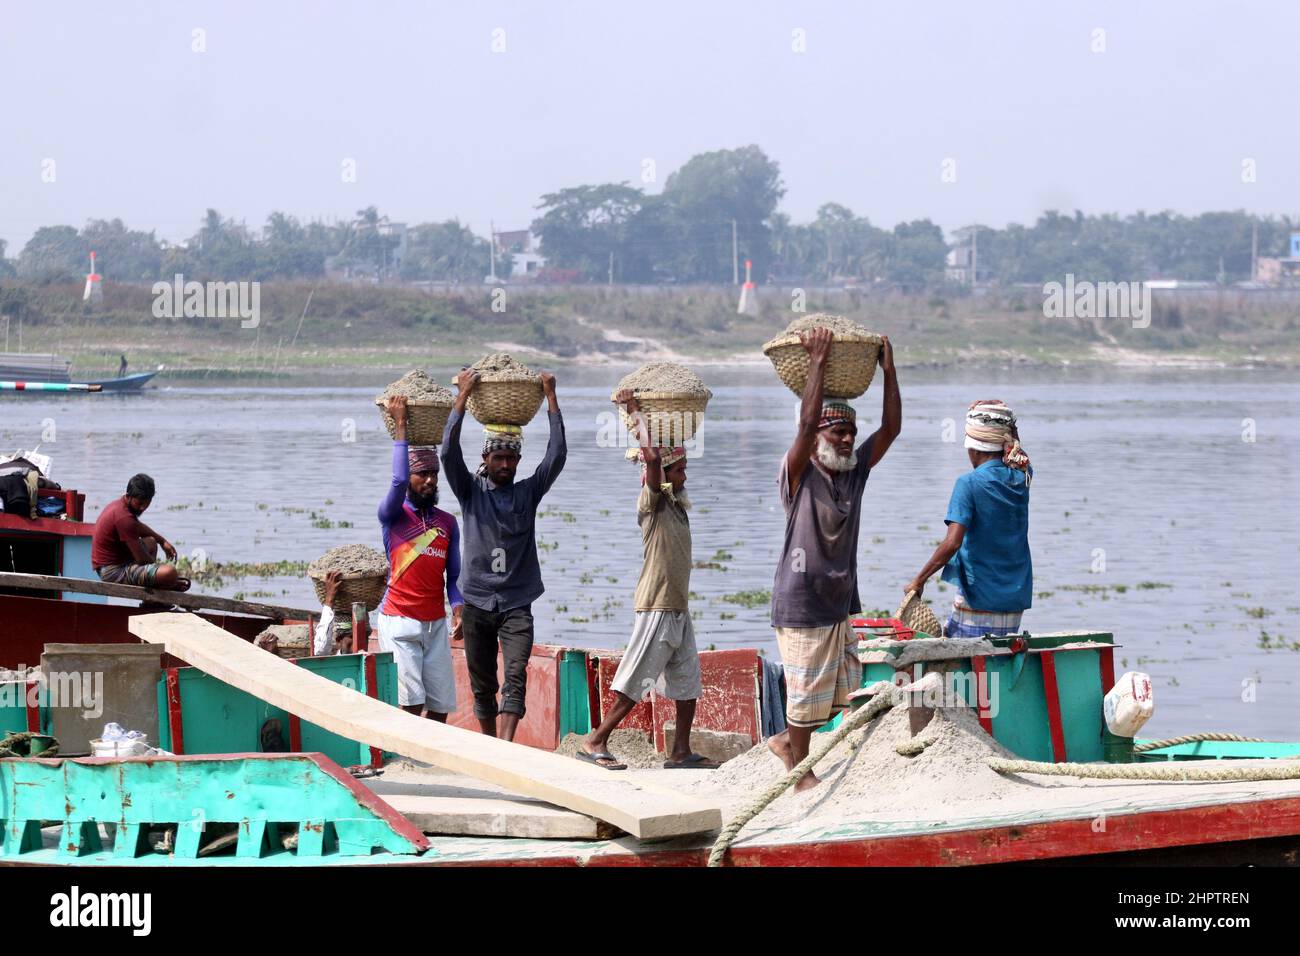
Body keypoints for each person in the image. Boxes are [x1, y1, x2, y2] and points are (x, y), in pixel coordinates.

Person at [767, 328, 900, 791]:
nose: (846, 439)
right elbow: (803, 427)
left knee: (835, 692)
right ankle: (797, 768)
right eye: (837, 431)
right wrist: (818, 363)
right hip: (801, 601)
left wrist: (889, 370)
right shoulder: (798, 474)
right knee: (805, 693)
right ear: (819, 435)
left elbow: (891, 430)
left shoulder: (854, 473)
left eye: (850, 432)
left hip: (839, 601)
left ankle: (788, 743)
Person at [577, 389, 718, 770]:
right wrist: (635, 413)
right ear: (661, 476)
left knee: (688, 683)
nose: (684, 475)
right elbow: (652, 457)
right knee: (637, 679)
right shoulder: (652, 503)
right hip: (655, 605)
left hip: (677, 609)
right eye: (680, 470)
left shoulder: (677, 506)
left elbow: (662, 461)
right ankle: (596, 740)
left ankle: (680, 752)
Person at [441, 368, 566, 742]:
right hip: (477, 600)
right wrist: (462, 396)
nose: (506, 466)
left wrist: (550, 398)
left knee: (515, 674)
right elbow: (447, 451)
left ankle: (505, 748)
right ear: (486, 457)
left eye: (511, 460)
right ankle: (489, 745)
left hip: (516, 601)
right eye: (499, 459)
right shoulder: (470, 492)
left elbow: (556, 455)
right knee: (482, 683)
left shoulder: (527, 493)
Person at [905, 399, 1032, 639]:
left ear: (972, 448)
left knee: (968, 670)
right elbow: (1019, 452)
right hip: (1015, 598)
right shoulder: (1022, 476)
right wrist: (1007, 422)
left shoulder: (968, 484)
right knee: (997, 661)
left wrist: (918, 580)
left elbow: (952, 543)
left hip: (979, 598)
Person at [375, 395, 464, 721]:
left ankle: (430, 764)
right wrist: (401, 425)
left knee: (439, 706)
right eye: (422, 473)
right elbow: (397, 481)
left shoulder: (447, 522)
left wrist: (457, 607)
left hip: (434, 624)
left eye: (434, 474)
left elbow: (453, 578)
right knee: (410, 704)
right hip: (399, 621)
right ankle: (405, 759)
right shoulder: (393, 515)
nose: (429, 480)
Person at [91, 474, 190, 590]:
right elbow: (142, 559)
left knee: (151, 542)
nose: (142, 508)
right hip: (112, 572)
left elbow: (137, 526)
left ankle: (153, 591)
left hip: (117, 561)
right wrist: (166, 578)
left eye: (146, 504)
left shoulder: (121, 506)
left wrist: (162, 541)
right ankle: (155, 591)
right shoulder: (123, 517)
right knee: (169, 573)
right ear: (128, 496)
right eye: (139, 504)